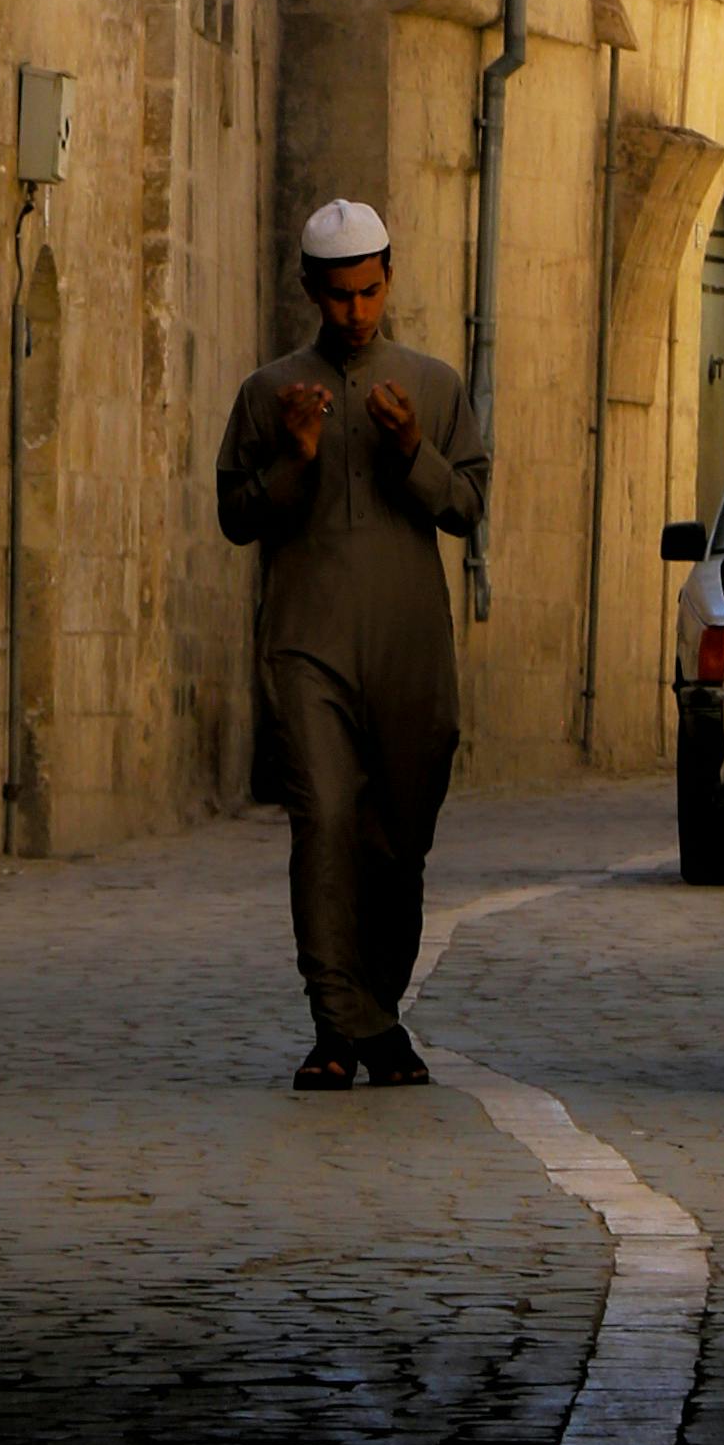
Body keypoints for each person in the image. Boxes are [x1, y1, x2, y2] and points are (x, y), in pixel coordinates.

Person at [216, 199, 491, 1091]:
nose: (355, 314)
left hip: (409, 646)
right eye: (338, 297)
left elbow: (465, 506)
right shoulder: (269, 394)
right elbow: (236, 517)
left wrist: (411, 446)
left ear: (389, 281)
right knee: (325, 819)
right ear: (310, 290)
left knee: (398, 834)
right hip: (308, 642)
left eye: (369, 293)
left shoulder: (434, 387)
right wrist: (295, 456)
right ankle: (340, 1022)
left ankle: (370, 1012)